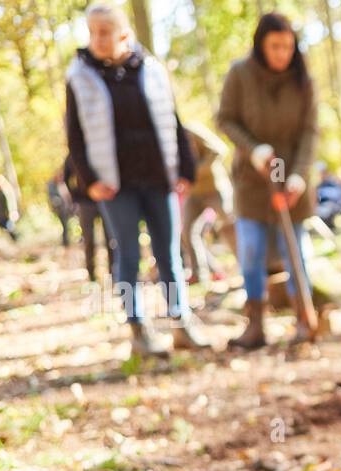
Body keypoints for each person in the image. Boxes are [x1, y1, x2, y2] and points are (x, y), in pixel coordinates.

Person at [65, 2, 209, 358]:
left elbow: (173, 121)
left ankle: (180, 322)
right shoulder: (80, 76)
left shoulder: (151, 70)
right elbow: (75, 135)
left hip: (159, 179)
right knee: (127, 255)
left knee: (169, 254)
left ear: (124, 33)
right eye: (93, 31)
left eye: (105, 31)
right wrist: (89, 180)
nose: (98, 38)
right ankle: (138, 329)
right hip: (115, 185)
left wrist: (186, 169)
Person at [217, 12, 320, 350]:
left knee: (296, 252)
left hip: (291, 179)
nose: (282, 53)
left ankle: (304, 318)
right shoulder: (240, 74)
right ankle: (256, 323)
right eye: (275, 46)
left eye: (288, 46)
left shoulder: (303, 81)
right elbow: (226, 120)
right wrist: (252, 149)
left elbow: (309, 133)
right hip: (254, 180)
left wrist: (299, 177)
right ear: (261, 45)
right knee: (251, 251)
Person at [181, 123, 237, 285]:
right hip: (193, 194)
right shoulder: (167, 139)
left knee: (231, 224)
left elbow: (219, 150)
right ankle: (199, 274)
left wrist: (195, 171)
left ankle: (247, 266)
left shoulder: (191, 131)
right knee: (187, 231)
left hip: (214, 188)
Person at [62, 155, 105, 282]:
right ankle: (91, 273)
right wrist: (75, 196)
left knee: (111, 238)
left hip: (104, 200)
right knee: (88, 239)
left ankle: (113, 273)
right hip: (85, 202)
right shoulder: (73, 155)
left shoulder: (98, 147)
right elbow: (66, 178)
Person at [47, 170, 75, 249]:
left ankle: (68, 240)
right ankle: (65, 242)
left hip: (68, 207)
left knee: (69, 224)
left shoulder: (64, 184)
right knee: (64, 224)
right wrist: (59, 202)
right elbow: (52, 197)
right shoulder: (52, 185)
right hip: (60, 208)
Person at [0, 175, 19, 241]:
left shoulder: (6, 191)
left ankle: (17, 241)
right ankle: (13, 243)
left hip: (7, 214)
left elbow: (10, 203)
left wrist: (11, 211)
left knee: (10, 229)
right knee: (6, 229)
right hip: (1, 215)